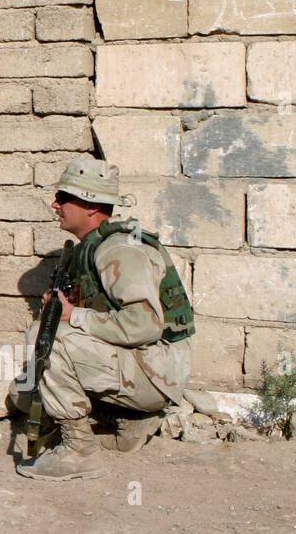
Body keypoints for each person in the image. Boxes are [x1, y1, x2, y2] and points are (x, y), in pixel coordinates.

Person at [11, 157, 195, 481]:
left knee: (47, 337)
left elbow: (144, 324)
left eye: (64, 198)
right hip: (144, 366)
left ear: (91, 206)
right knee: (22, 393)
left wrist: (72, 316)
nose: (56, 204)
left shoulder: (119, 249)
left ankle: (79, 452)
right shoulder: (91, 248)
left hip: (157, 371)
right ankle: (130, 421)